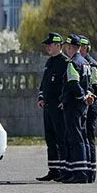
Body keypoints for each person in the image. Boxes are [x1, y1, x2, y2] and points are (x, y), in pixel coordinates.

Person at [58, 34, 92, 184]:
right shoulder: (85, 63)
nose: (67, 49)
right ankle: (81, 170)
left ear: (71, 47)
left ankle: (79, 173)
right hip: (82, 106)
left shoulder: (72, 63)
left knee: (74, 138)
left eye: (68, 47)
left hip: (73, 105)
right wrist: (86, 97)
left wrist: (81, 96)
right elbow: (88, 84)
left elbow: (73, 84)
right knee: (81, 137)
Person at [36, 32, 67, 181]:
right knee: (50, 139)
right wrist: (41, 97)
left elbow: (68, 85)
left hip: (58, 106)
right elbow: (44, 83)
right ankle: (53, 170)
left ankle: (63, 170)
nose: (47, 47)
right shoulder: (49, 62)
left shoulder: (65, 63)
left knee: (61, 138)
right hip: (48, 106)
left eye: (50, 45)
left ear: (58, 45)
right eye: (47, 45)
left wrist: (64, 100)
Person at [79, 35, 97, 183]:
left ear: (86, 48)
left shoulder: (93, 66)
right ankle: (84, 169)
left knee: (88, 138)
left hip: (91, 106)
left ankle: (91, 172)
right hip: (82, 105)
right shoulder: (77, 63)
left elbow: (96, 88)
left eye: (80, 47)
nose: (77, 49)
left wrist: (88, 98)